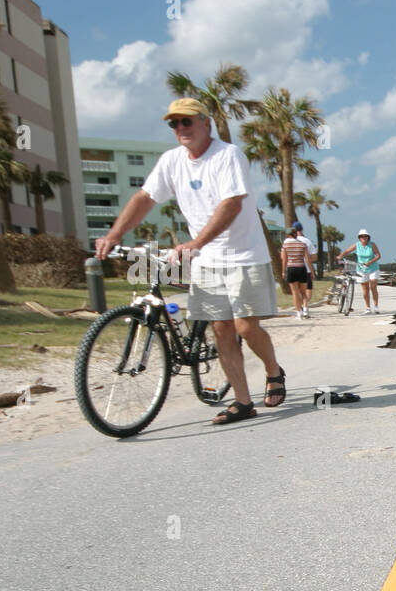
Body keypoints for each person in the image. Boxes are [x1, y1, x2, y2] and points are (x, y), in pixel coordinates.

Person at [94, 98, 285, 425]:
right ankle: (242, 402)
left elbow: (232, 205)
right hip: (207, 259)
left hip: (243, 255)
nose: (180, 128)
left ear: (205, 123)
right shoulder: (171, 161)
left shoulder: (228, 155)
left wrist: (195, 242)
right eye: (174, 123)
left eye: (187, 121)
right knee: (221, 328)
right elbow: (144, 198)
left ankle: (273, 370)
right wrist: (114, 234)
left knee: (245, 326)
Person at [337, 229, 382, 314]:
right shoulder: (356, 245)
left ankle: (376, 307)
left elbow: (378, 256)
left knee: (373, 287)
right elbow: (347, 251)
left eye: (365, 236)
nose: (364, 238)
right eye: (362, 236)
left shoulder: (372, 244)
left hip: (373, 268)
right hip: (361, 269)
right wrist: (340, 256)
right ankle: (368, 308)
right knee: (365, 290)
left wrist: (370, 262)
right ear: (359, 238)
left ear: (368, 237)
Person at [280, 225, 313, 318]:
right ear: (295, 234)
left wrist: (283, 272)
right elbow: (307, 259)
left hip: (291, 269)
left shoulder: (285, 245)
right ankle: (305, 309)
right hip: (302, 268)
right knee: (303, 291)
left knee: (295, 292)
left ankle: (299, 313)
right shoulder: (302, 244)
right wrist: (311, 271)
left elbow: (284, 260)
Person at [290, 220, 317, 307]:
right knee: (307, 290)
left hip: (292, 268)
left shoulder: (288, 241)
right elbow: (314, 257)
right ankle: (304, 305)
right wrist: (307, 259)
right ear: (301, 229)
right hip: (306, 270)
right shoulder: (307, 241)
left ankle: (299, 308)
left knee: (296, 291)